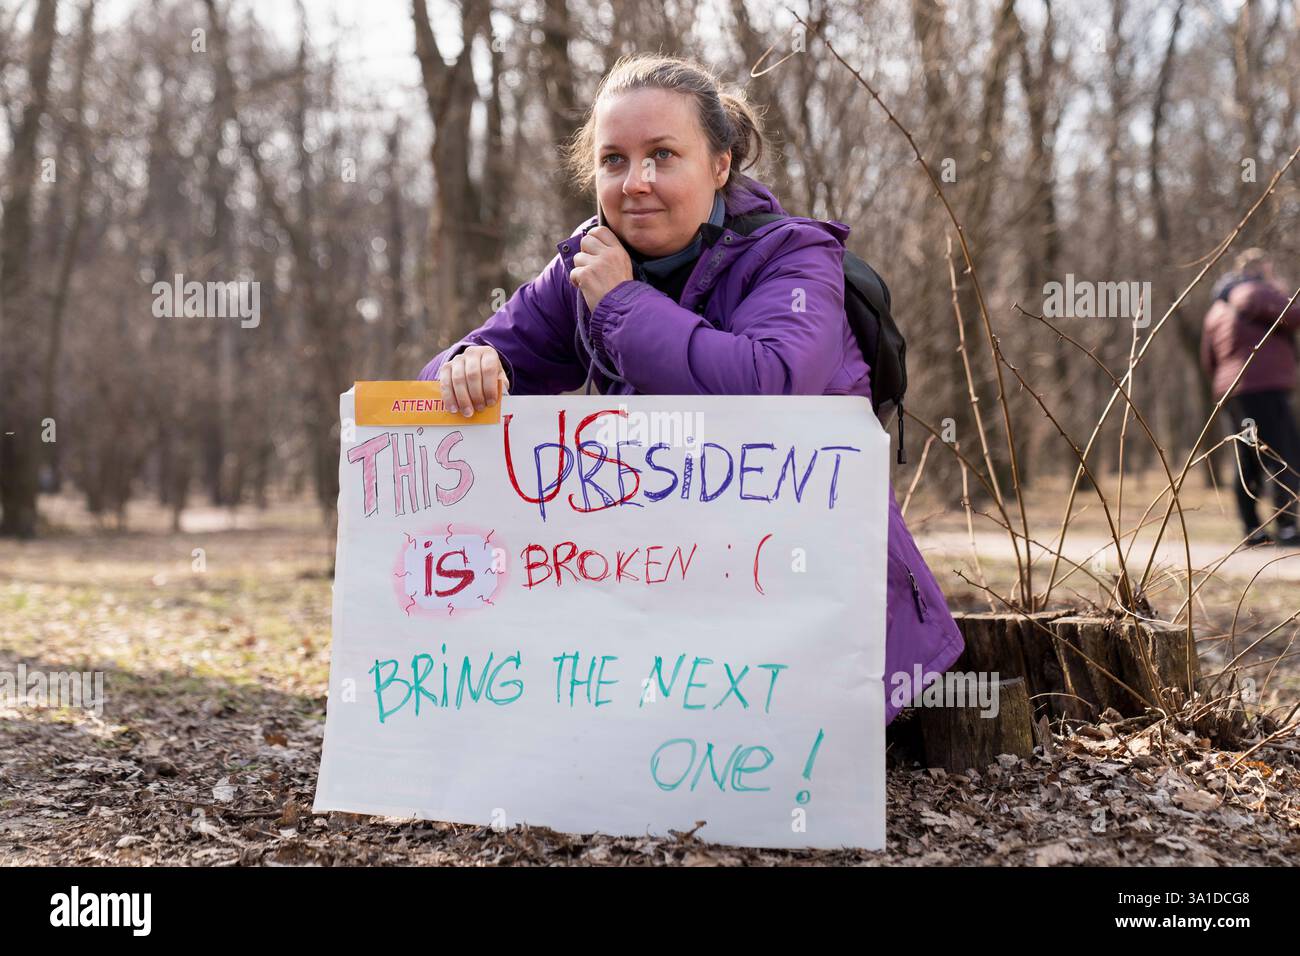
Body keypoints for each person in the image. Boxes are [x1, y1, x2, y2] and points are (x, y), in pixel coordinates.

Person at [417, 53, 963, 723]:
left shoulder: (795, 257)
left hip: (819, 618)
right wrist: (468, 364)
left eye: (663, 156)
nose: (635, 183)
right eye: (613, 160)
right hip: (673, 614)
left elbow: (768, 387)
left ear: (721, 164)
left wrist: (621, 304)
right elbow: (441, 381)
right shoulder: (587, 265)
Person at [1202, 249, 1300, 546]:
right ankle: (1286, 526)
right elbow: (1293, 315)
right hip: (1264, 390)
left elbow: (1208, 359)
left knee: (1248, 459)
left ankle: (1252, 528)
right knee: (1284, 456)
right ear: (1257, 270)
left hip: (1234, 394)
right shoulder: (1253, 291)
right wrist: (1278, 291)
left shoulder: (1216, 310)